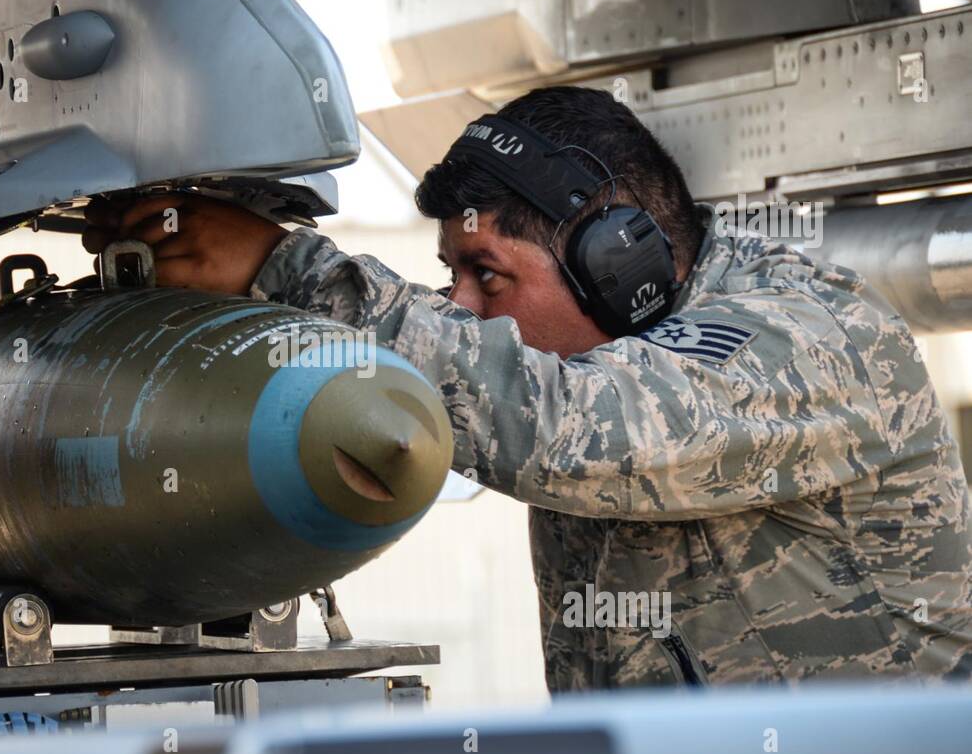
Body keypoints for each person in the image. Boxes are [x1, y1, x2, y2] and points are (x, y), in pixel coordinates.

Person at [82, 85, 972, 690]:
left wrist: (285, 267)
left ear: (615, 262)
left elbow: (561, 427)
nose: (462, 312)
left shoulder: (808, 338)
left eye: (488, 275)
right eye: (450, 277)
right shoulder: (610, 344)